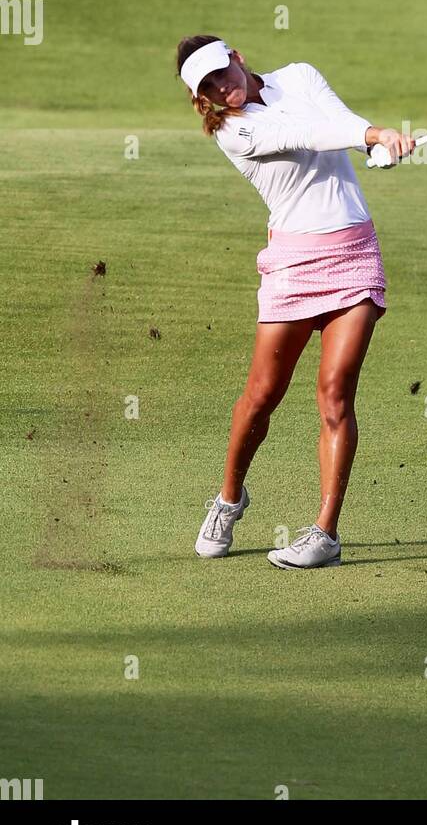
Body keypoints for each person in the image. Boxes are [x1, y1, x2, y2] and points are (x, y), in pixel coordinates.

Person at [175, 35, 413, 570]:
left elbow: (336, 119)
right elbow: (304, 133)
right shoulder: (234, 131)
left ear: (236, 55)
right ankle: (230, 497)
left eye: (222, 73)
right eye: (208, 87)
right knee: (261, 397)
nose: (221, 89)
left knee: (334, 397)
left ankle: (325, 533)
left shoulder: (300, 75)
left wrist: (375, 146)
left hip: (353, 254)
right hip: (292, 266)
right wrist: (371, 134)